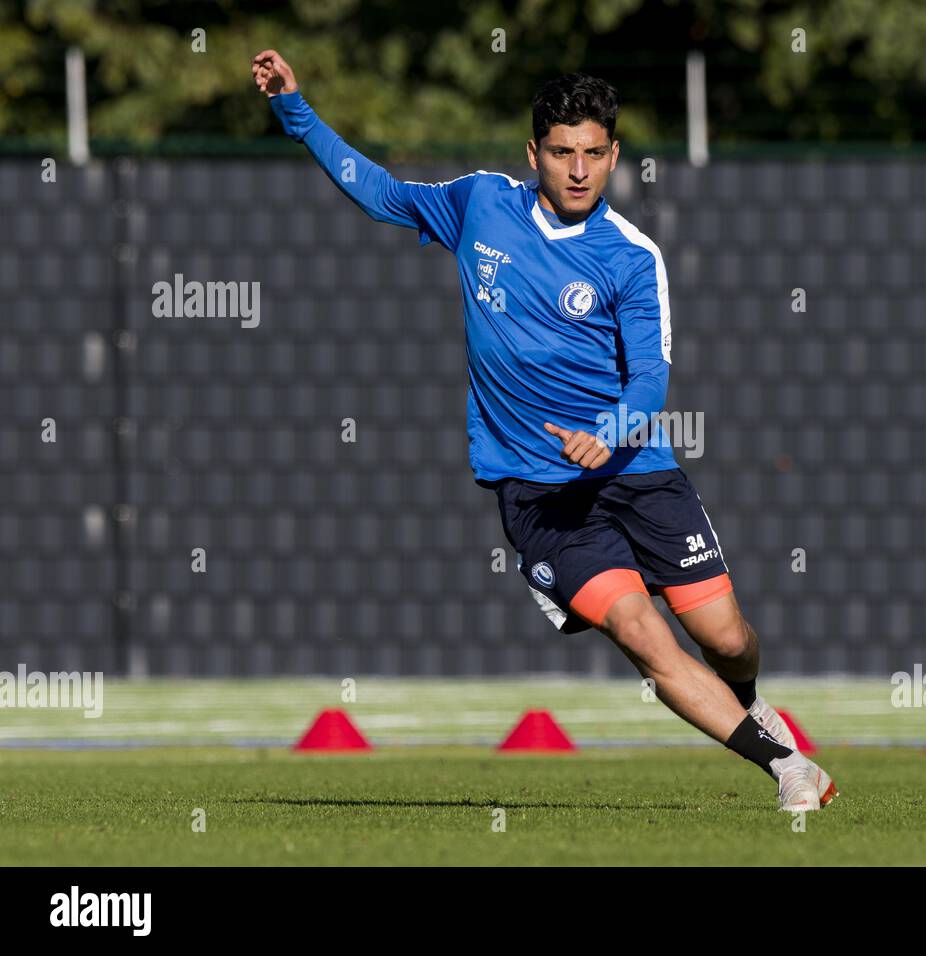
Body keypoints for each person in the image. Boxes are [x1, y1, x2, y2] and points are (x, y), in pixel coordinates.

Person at [251, 51, 836, 811]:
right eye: (563, 152)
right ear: (534, 155)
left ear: (615, 155)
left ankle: (749, 696)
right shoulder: (480, 205)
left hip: (636, 471)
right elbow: (381, 193)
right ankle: (788, 766)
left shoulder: (630, 256)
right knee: (641, 635)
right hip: (540, 495)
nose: (580, 169)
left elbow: (650, 377)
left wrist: (612, 427)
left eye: (595, 153)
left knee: (724, 636)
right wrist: (296, 111)